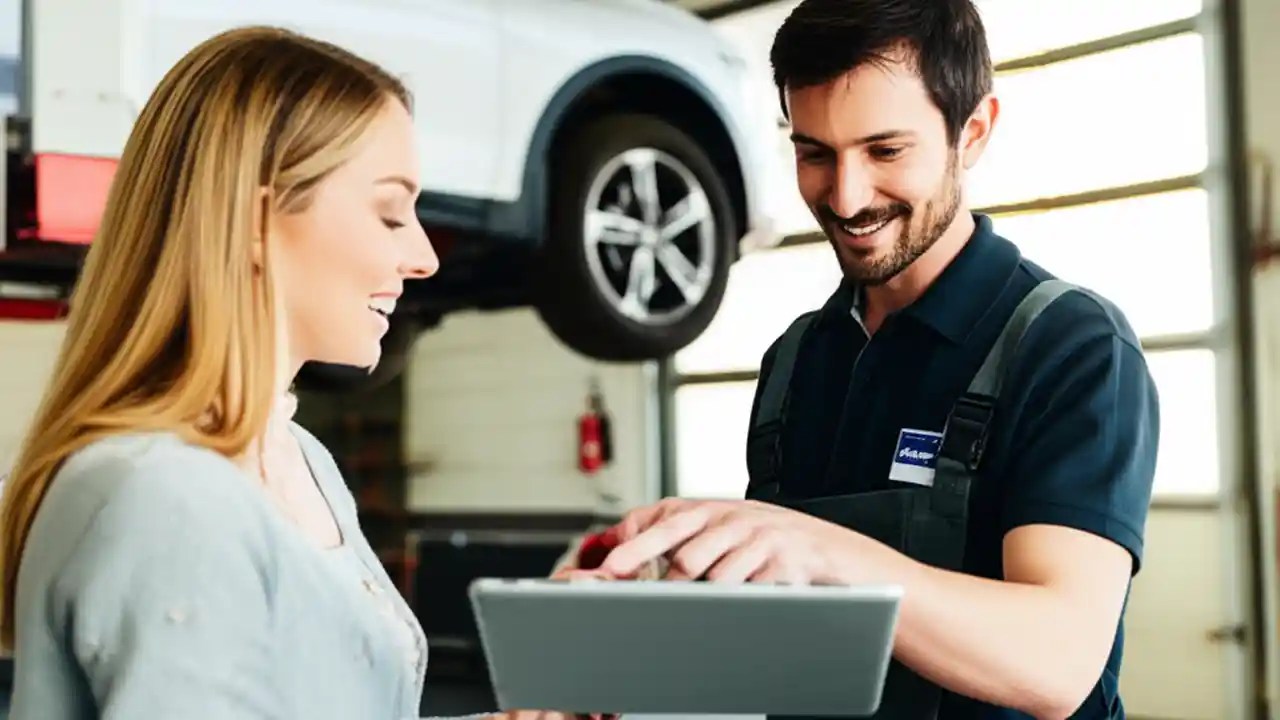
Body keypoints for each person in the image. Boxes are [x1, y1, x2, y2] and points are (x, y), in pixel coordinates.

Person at [585, 1, 1159, 719]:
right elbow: (786, 632)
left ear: (972, 131)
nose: (847, 197)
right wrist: (621, 673)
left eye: (886, 151)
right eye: (814, 153)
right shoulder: (799, 358)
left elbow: (1058, 662)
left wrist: (824, 552)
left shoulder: (1070, 346)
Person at [0, 26, 565, 720]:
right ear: (255, 221)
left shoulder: (305, 465)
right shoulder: (166, 495)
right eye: (390, 214)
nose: (425, 258)